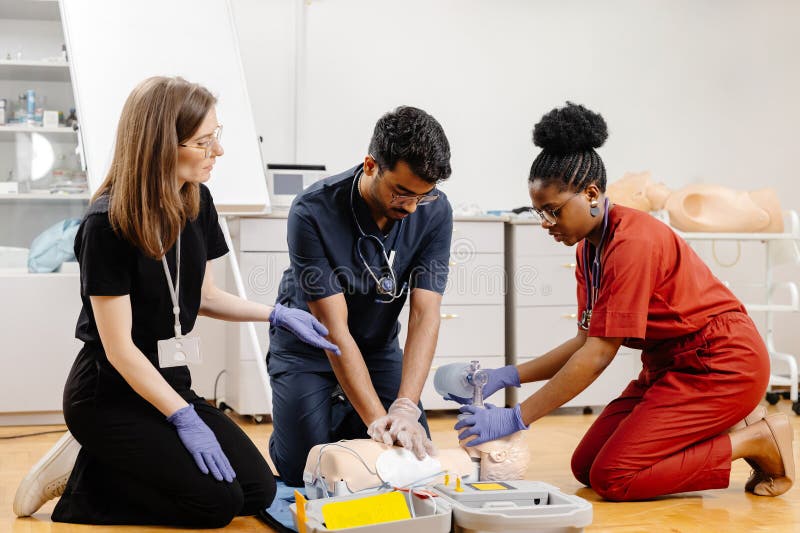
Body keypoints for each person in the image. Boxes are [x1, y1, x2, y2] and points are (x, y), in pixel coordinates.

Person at [13, 76, 338, 526]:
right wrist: (184, 418)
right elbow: (120, 349)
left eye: (216, 138)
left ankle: (114, 457)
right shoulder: (107, 224)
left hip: (170, 382)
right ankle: (84, 480)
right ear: (160, 145)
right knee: (214, 505)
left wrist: (278, 314)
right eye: (204, 142)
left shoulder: (196, 200)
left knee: (255, 491)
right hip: (108, 394)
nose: (217, 152)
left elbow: (203, 295)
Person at [453, 102, 794, 501]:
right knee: (586, 466)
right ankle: (724, 423)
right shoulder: (587, 251)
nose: (546, 224)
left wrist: (517, 417)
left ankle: (756, 440)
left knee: (615, 478)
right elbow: (585, 341)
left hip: (720, 364)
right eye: (539, 212)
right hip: (669, 365)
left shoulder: (632, 241)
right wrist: (507, 376)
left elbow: (597, 355)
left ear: (592, 193)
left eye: (553, 211)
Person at [268, 106, 454, 486]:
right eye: (401, 193)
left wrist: (404, 409)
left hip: (376, 345)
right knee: (301, 470)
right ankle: (321, 418)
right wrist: (376, 420)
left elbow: (424, 315)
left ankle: (345, 414)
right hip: (309, 345)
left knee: (412, 453)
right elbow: (333, 330)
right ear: (371, 165)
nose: (412, 207)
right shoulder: (312, 211)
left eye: (424, 195)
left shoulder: (434, 212)